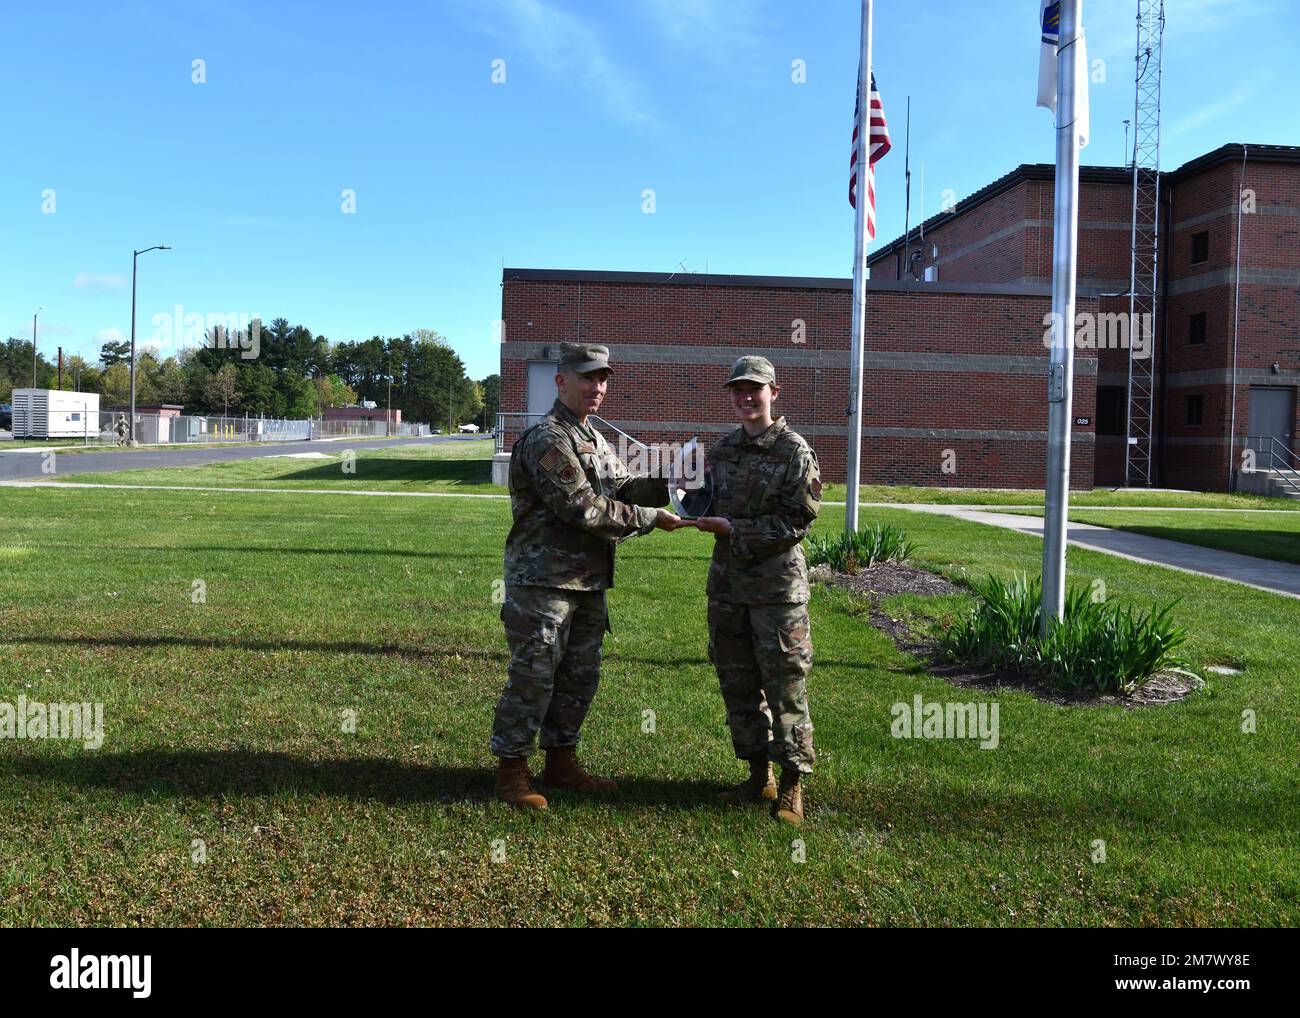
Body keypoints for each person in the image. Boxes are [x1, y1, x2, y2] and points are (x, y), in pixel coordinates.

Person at [491, 342, 684, 809]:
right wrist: (650, 517)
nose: (597, 387)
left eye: (602, 379)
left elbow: (621, 487)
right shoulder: (547, 440)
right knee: (534, 675)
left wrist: (668, 478)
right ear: (562, 381)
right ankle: (511, 770)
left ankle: (561, 761)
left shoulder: (593, 438)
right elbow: (583, 508)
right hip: (543, 583)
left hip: (587, 581)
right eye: (587, 378)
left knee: (579, 676)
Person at [691, 356, 821, 825]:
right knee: (738, 683)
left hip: (776, 591)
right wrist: (683, 499)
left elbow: (796, 520)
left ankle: (792, 784)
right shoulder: (722, 451)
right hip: (727, 587)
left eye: (755, 389)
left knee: (784, 685)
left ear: (774, 392)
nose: (746, 397)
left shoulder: (794, 451)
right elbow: (701, 498)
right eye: (738, 390)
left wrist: (734, 530)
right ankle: (757, 774)